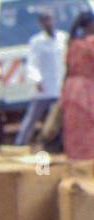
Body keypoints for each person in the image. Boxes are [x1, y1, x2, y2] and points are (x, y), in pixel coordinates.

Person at [16, 12, 67, 146]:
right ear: (41, 24)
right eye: (45, 21)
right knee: (32, 117)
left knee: (58, 119)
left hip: (60, 86)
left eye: (50, 19)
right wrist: (37, 79)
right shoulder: (36, 42)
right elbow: (32, 64)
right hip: (43, 86)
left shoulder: (63, 38)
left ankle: (55, 144)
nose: (48, 23)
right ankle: (20, 143)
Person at [63, 12, 94, 159]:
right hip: (87, 90)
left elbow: (67, 69)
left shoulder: (73, 43)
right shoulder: (90, 43)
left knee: (74, 130)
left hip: (71, 90)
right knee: (88, 129)